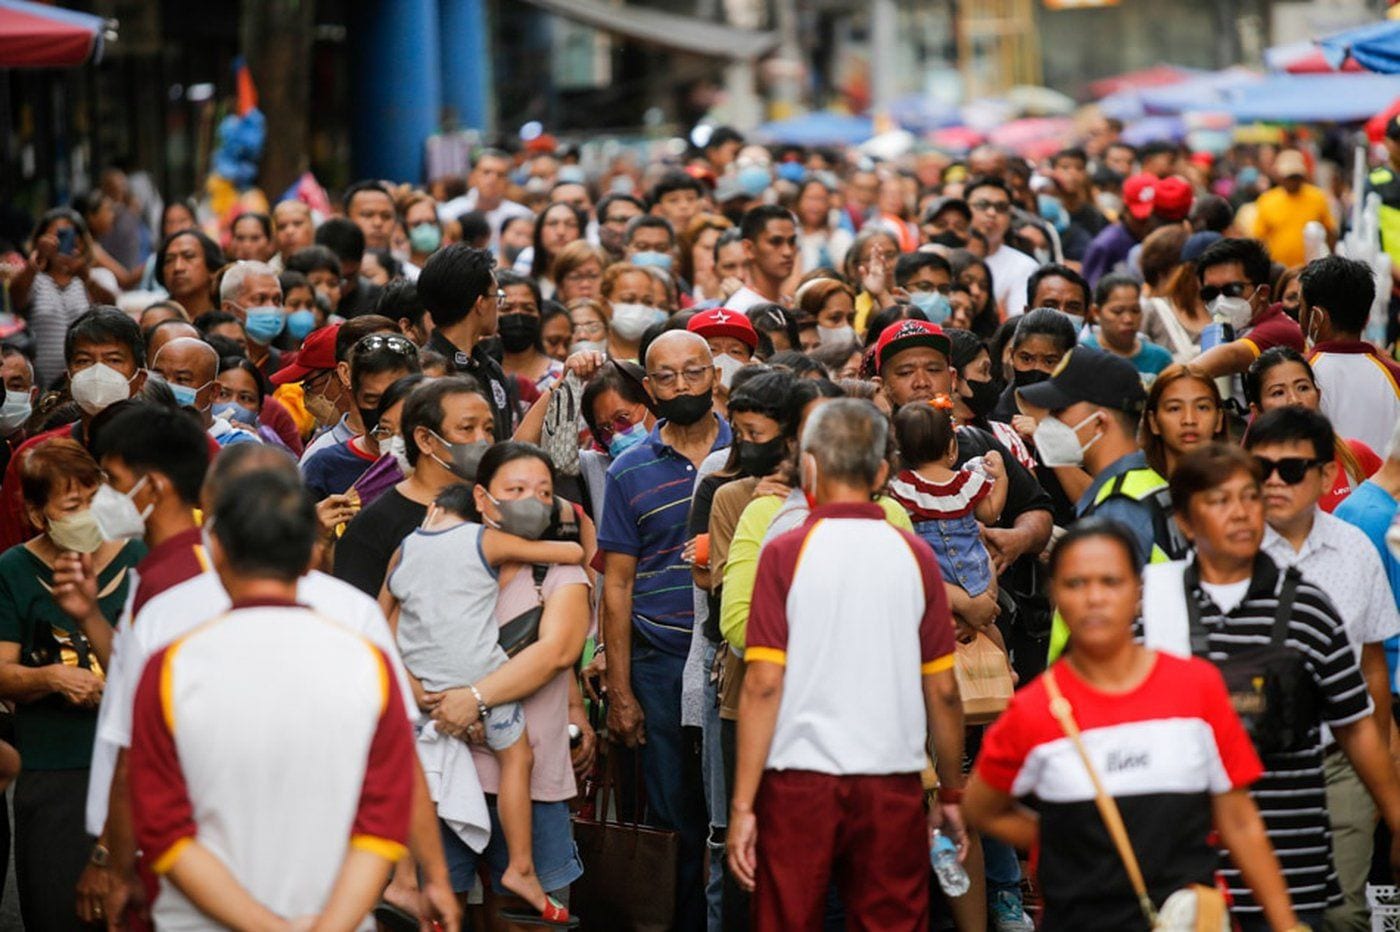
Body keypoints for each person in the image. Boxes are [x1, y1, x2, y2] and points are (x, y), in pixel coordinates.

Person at [965, 519, 1299, 932]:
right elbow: (980, 807)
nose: (1094, 598)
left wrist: (1287, 924)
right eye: (1075, 583)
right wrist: (1062, 836)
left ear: (1138, 594)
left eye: (1111, 581)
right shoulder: (1034, 710)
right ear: (1056, 595)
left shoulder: (1197, 687)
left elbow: (1239, 819)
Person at [128, 469, 415, 930]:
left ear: (215, 550)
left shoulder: (171, 666)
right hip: (334, 916)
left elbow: (164, 831)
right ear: (312, 554)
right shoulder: (368, 662)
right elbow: (384, 821)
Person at [727, 398, 964, 929]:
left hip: (798, 779)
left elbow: (763, 684)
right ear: (883, 471)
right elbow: (944, 692)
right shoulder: (915, 555)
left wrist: (743, 805)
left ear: (808, 465)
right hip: (892, 778)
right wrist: (950, 794)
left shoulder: (786, 552)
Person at [1143, 444, 1400, 929]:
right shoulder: (1152, 606)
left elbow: (1355, 725)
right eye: (1219, 501)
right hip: (1186, 861)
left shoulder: (1309, 608)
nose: (1240, 513)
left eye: (1250, 497)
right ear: (1185, 521)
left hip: (1292, 858)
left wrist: (1396, 815)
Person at [381, 477, 582, 925]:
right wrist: (565, 530)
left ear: (431, 510)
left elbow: (380, 622)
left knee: (413, 776)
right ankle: (521, 867)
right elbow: (570, 555)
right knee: (518, 759)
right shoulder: (482, 539)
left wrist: (415, 687)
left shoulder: (407, 550)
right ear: (480, 507)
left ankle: (402, 878)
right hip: (481, 681)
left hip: (425, 692)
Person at [1243, 406, 1400, 929]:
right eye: (1260, 468)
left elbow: (1372, 664)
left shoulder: (1357, 549)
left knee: (1342, 915)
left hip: (1341, 763)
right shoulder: (1224, 552)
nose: (1273, 482)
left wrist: (1384, 779)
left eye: (1290, 470)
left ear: (1327, 475)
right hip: (1250, 772)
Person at [598, 330, 731, 931]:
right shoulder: (628, 470)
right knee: (673, 816)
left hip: (737, 658)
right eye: (668, 376)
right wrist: (621, 693)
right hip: (659, 661)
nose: (683, 386)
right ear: (649, 388)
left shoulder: (751, 455)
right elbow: (617, 585)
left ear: (716, 377)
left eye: (694, 372)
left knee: (734, 813)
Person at [0, 438, 145, 932]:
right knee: (58, 909)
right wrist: (50, 677)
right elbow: (2, 668)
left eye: (93, 500)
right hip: (54, 768)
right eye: (71, 507)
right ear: (39, 516)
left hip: (135, 765)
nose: (87, 515)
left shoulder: (141, 560)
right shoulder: (14, 570)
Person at [0, 308, 148, 551]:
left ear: (140, 378)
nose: (98, 373)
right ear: (70, 379)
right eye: (84, 361)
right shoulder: (34, 455)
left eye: (113, 360)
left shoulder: (170, 447)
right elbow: (9, 552)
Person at [334, 376, 495, 597]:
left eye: (488, 428)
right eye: (467, 428)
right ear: (425, 440)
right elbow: (356, 616)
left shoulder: (492, 507)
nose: (482, 439)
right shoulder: (374, 525)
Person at [889, 399, 1007, 603]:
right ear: (952, 447)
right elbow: (990, 513)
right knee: (990, 631)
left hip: (933, 584)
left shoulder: (902, 489)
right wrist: (1002, 478)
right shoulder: (966, 484)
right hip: (976, 577)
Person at [1245, 347, 1379, 513]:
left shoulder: (1355, 455)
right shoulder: (1246, 474)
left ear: (1318, 394)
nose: (1295, 400)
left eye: (1303, 388)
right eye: (1278, 392)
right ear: (1257, 410)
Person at [1299, 254, 1400, 453]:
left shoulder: (1296, 375)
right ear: (1367, 319)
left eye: (1302, 308)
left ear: (1316, 317)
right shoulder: (1395, 374)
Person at [302, 333, 421, 501]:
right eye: (372, 400)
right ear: (355, 396)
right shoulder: (324, 466)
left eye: (396, 397)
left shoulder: (438, 461)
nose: (385, 410)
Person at [417, 244, 517, 442]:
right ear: (480, 304)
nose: (499, 306)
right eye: (497, 296)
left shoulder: (491, 369)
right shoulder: (426, 372)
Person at [12, 209, 117, 390]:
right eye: (55, 235)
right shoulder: (34, 280)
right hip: (41, 383)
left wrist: (85, 276)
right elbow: (16, 296)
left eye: (69, 235)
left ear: (82, 241)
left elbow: (111, 308)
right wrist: (37, 259)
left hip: (83, 382)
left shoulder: (89, 279)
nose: (61, 242)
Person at [1190, 237, 1304, 383]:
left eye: (1232, 289)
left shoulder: (1279, 330)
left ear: (1262, 292)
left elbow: (1231, 356)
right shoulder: (1231, 331)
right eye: (1210, 293)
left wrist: (1171, 379)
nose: (1220, 300)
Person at [150, 336, 258, 446]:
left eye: (182, 379)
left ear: (213, 391)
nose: (167, 386)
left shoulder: (238, 446)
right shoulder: (139, 434)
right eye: (159, 377)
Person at [965, 176, 1037, 318]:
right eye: (982, 205)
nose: (991, 213)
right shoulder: (947, 254)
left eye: (1001, 208)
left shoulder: (1024, 266)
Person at [1082, 274, 1172, 383]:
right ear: (1096, 312)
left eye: (1135, 310)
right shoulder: (1082, 354)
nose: (1128, 319)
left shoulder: (1160, 359)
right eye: (1117, 311)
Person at [1251, 151, 1334, 269]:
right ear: (1280, 177)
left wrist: (1332, 261)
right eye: (1289, 177)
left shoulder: (1317, 197)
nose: (1293, 181)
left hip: (1311, 269)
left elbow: (1330, 231)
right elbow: (1259, 239)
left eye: (1296, 177)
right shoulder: (1267, 201)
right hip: (1279, 270)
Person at [1141, 364, 1226, 478]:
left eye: (1202, 407)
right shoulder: (1134, 490)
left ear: (1219, 419)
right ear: (1153, 422)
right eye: (1174, 408)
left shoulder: (1240, 486)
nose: (1189, 420)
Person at [439, 149, 534, 251]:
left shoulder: (522, 216)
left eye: (500, 175)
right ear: (472, 176)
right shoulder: (449, 213)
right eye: (486, 172)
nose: (492, 179)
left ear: (508, 181)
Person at [218, 260, 287, 377]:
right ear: (228, 309)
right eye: (260, 299)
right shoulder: (212, 362)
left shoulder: (290, 366)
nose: (272, 307)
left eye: (277, 300)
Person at [724, 205, 797, 312]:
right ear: (748, 248)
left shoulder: (791, 305)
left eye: (792, 241)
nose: (788, 252)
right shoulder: (739, 311)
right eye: (776, 242)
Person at [345, 180, 398, 252]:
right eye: (367, 215)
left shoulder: (404, 263)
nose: (378, 223)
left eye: (386, 216)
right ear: (346, 220)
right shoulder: (328, 262)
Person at [272, 200, 316, 270]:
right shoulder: (269, 274)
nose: (289, 231)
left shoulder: (328, 267)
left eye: (297, 223)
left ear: (312, 228)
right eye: (281, 226)